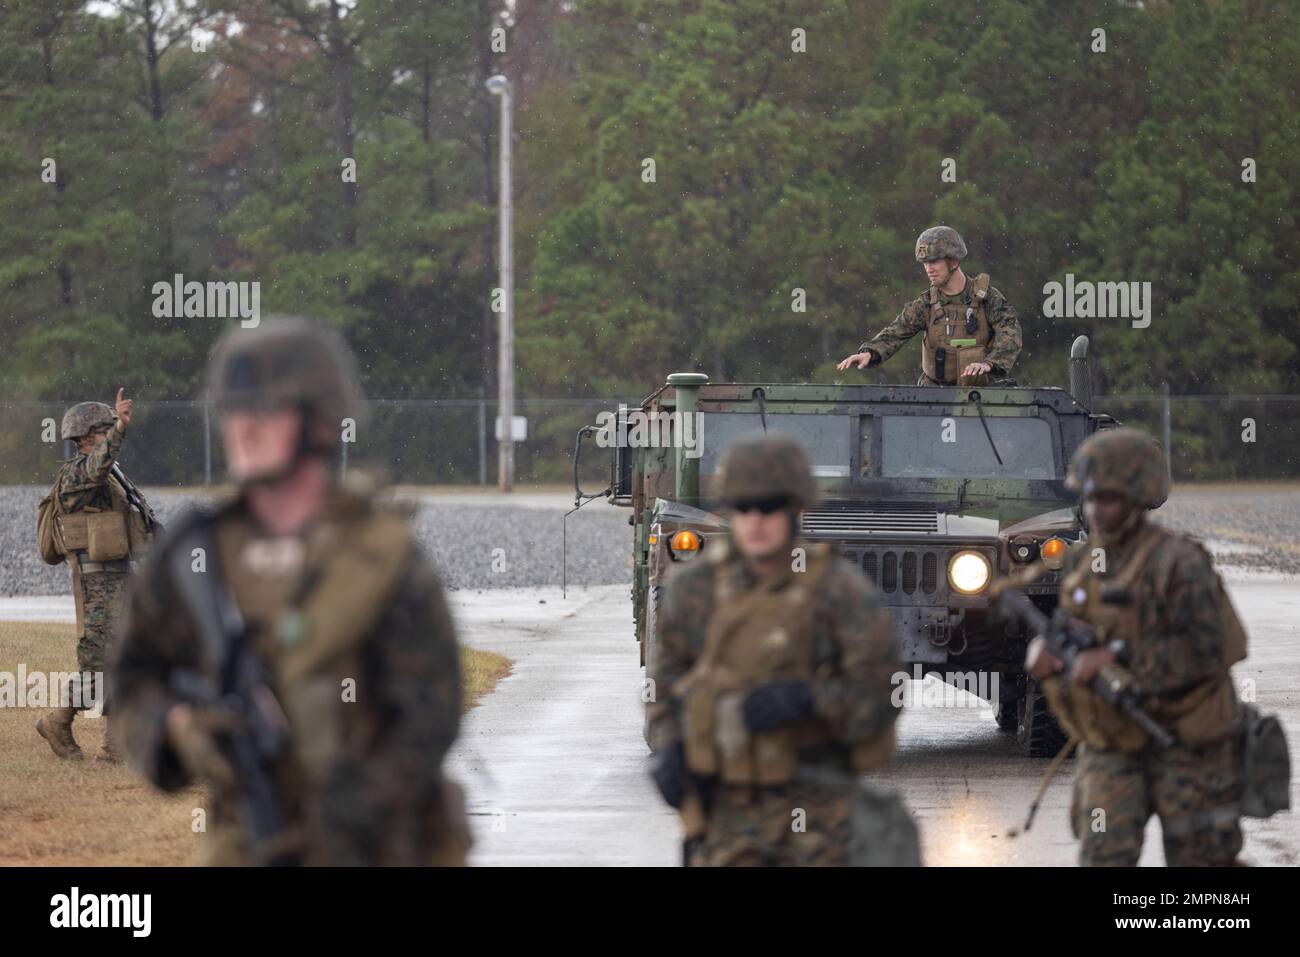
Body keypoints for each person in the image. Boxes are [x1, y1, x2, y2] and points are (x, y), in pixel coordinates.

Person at [109, 318, 470, 865]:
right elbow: (131, 680)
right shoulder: (193, 553)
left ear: (319, 423)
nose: (242, 428)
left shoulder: (383, 556)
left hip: (376, 844)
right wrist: (176, 728)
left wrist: (346, 814)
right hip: (246, 841)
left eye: (264, 410)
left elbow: (431, 715)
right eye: (232, 410)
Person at [647, 434, 903, 866]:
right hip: (725, 816)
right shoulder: (695, 590)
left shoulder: (839, 591)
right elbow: (664, 687)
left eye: (769, 506)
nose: (755, 520)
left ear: (797, 509)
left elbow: (883, 695)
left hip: (821, 813)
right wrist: (669, 749)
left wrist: (809, 700)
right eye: (743, 507)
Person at [1025, 427, 1247, 866]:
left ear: (1137, 497)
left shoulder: (1181, 562)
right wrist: (1051, 660)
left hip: (1185, 741)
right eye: (1089, 498)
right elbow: (1076, 641)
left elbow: (1218, 648)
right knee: (1103, 853)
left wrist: (1118, 656)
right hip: (1113, 744)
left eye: (1108, 498)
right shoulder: (1085, 567)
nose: (1096, 510)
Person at [36, 389, 152, 761]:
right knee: (99, 662)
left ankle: (115, 742)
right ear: (87, 437)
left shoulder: (106, 476)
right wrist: (121, 427)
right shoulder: (77, 475)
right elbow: (98, 464)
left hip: (116, 577)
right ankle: (58, 722)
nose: (110, 435)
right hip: (95, 582)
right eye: (104, 430)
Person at [837, 226, 1021, 386]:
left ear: (954, 262)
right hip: (936, 394)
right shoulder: (926, 304)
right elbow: (897, 331)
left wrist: (988, 364)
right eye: (925, 263)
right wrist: (870, 353)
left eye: (934, 261)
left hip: (981, 392)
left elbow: (1010, 334)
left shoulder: (988, 298)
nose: (928, 269)